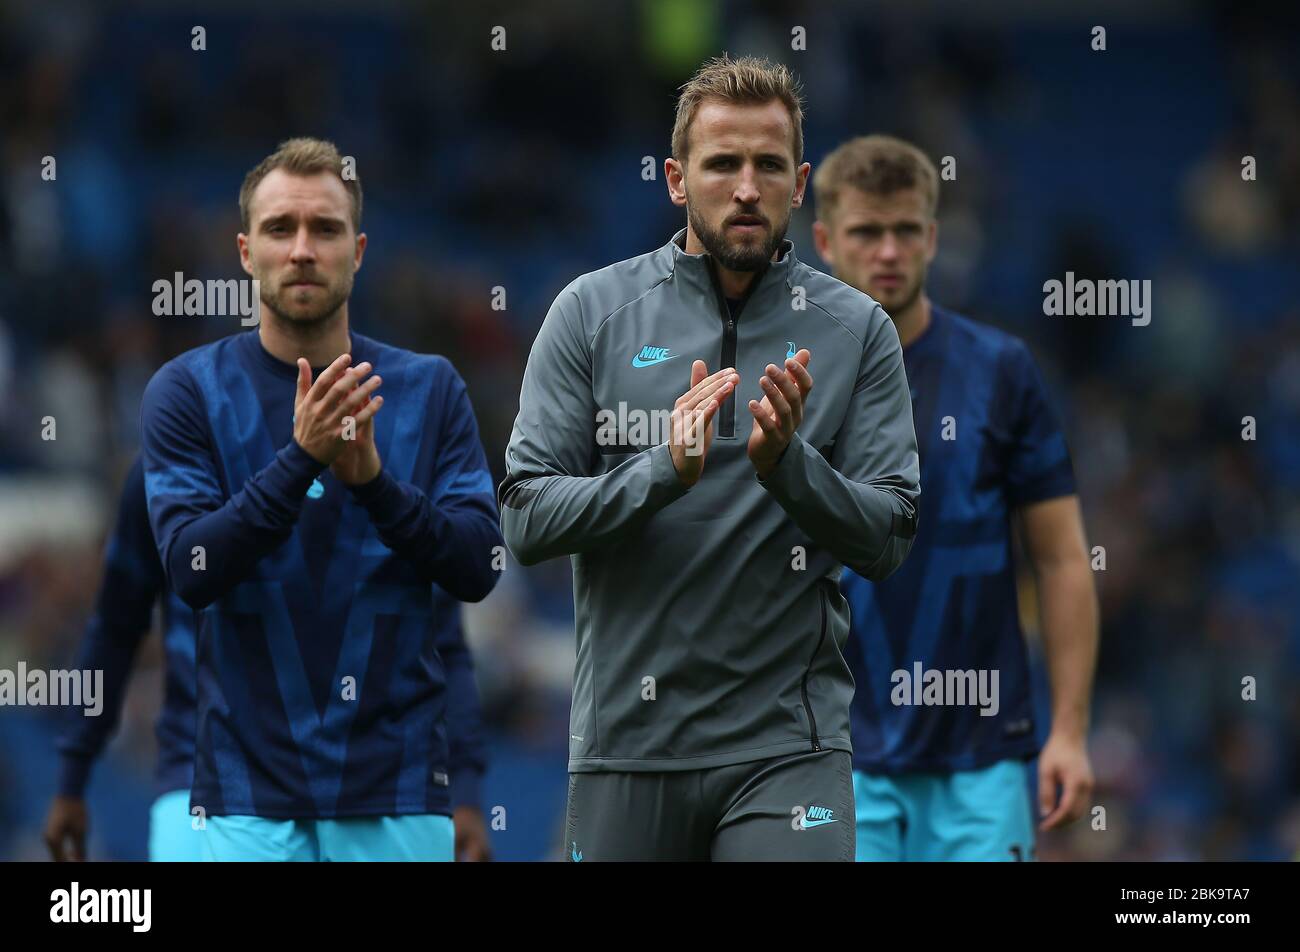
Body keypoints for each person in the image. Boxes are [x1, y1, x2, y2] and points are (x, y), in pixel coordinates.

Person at [500, 57, 919, 861]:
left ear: (800, 184)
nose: (746, 188)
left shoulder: (859, 331)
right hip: (628, 748)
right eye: (722, 163)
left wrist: (788, 466)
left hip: (788, 751)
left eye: (768, 166)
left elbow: (890, 536)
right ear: (675, 179)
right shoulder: (590, 313)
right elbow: (522, 516)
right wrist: (661, 472)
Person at [139, 137, 502, 861]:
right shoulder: (186, 391)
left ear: (358, 250)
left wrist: (374, 484)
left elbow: (478, 567)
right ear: (245, 252)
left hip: (398, 800)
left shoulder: (430, 389)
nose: (302, 249)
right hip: (239, 805)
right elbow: (191, 569)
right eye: (281, 229)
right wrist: (301, 457)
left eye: (325, 229)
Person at [811, 134, 1098, 861]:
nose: (888, 251)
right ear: (824, 241)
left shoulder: (1002, 371)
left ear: (934, 238)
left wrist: (1068, 730)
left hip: (982, 761)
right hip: (831, 760)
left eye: (906, 230)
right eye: (867, 232)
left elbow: (1063, 560)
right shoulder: (787, 380)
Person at [43, 458, 494, 862]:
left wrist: (467, 790)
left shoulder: (389, 469)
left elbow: (442, 642)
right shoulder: (168, 464)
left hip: (367, 787)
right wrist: (71, 774)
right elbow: (115, 626)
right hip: (202, 777)